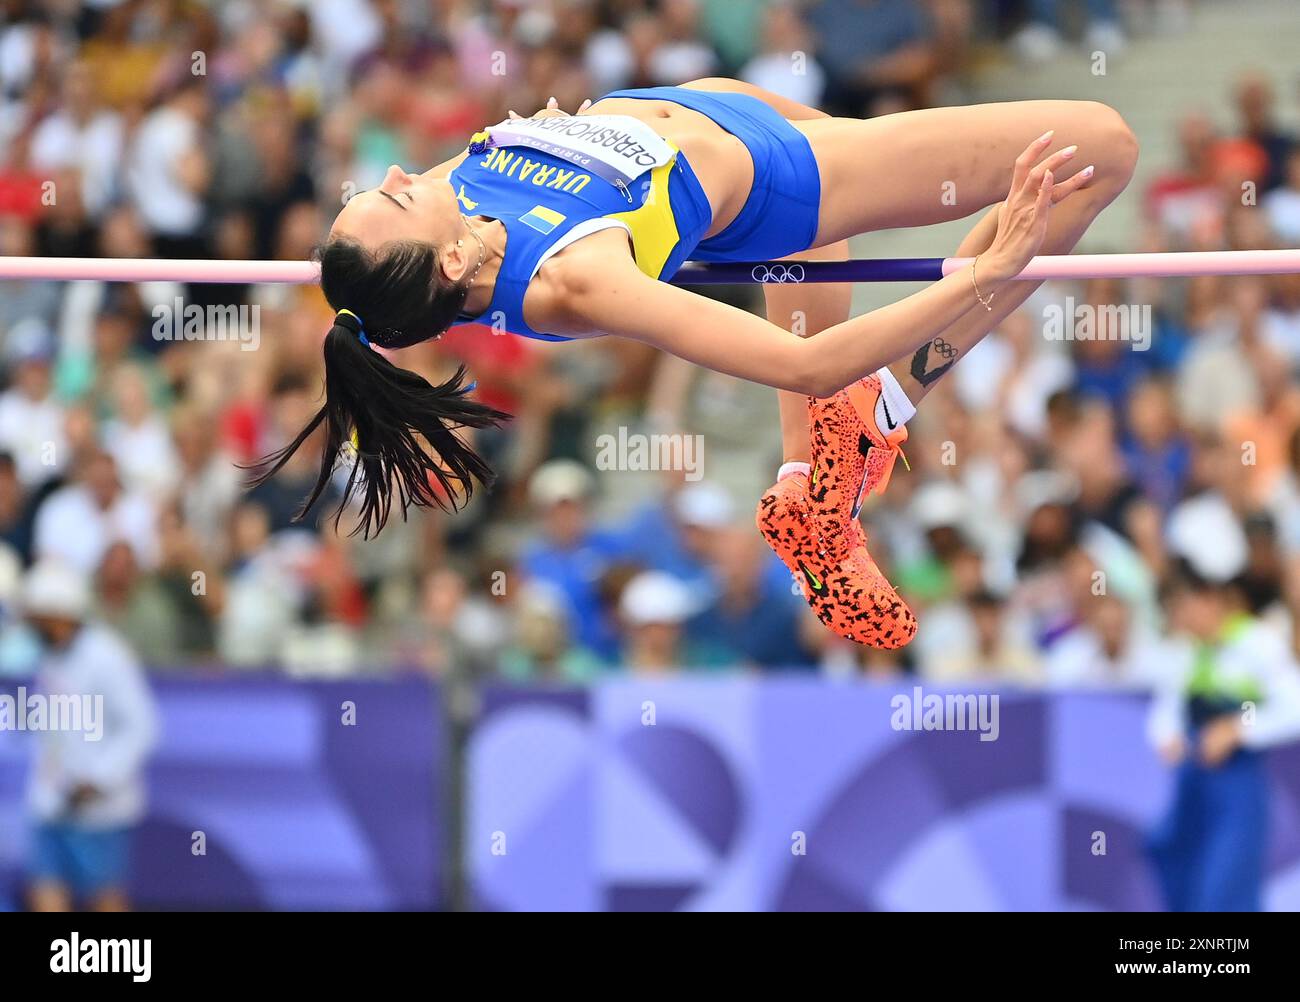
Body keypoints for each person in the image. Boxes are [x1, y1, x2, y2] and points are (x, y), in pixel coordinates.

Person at [254, 79, 1137, 649]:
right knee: (1099, 145)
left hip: (699, 102)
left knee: (830, 245)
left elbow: (388, 257)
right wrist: (986, 273)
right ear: (445, 265)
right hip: (768, 175)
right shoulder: (572, 275)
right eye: (396, 195)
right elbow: (809, 363)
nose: (408, 170)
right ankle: (888, 408)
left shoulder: (446, 214)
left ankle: (812, 486)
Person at [1147, 560, 1300, 912]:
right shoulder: (1186, 652)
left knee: (1225, 891)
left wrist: (1238, 729)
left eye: (1186, 606)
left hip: (1237, 784)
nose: (1182, 618)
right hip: (1193, 783)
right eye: (1175, 610)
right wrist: (1167, 736)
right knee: (1171, 860)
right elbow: (1165, 709)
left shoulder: (1256, 642)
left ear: (1211, 600)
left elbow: (1294, 705)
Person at [21, 560, 159, 912]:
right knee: (45, 890)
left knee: (104, 898)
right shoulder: (49, 656)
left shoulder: (106, 657)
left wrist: (98, 779)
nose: (34, 628)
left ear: (61, 616)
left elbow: (141, 726)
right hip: (52, 803)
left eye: (41, 619)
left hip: (100, 811)